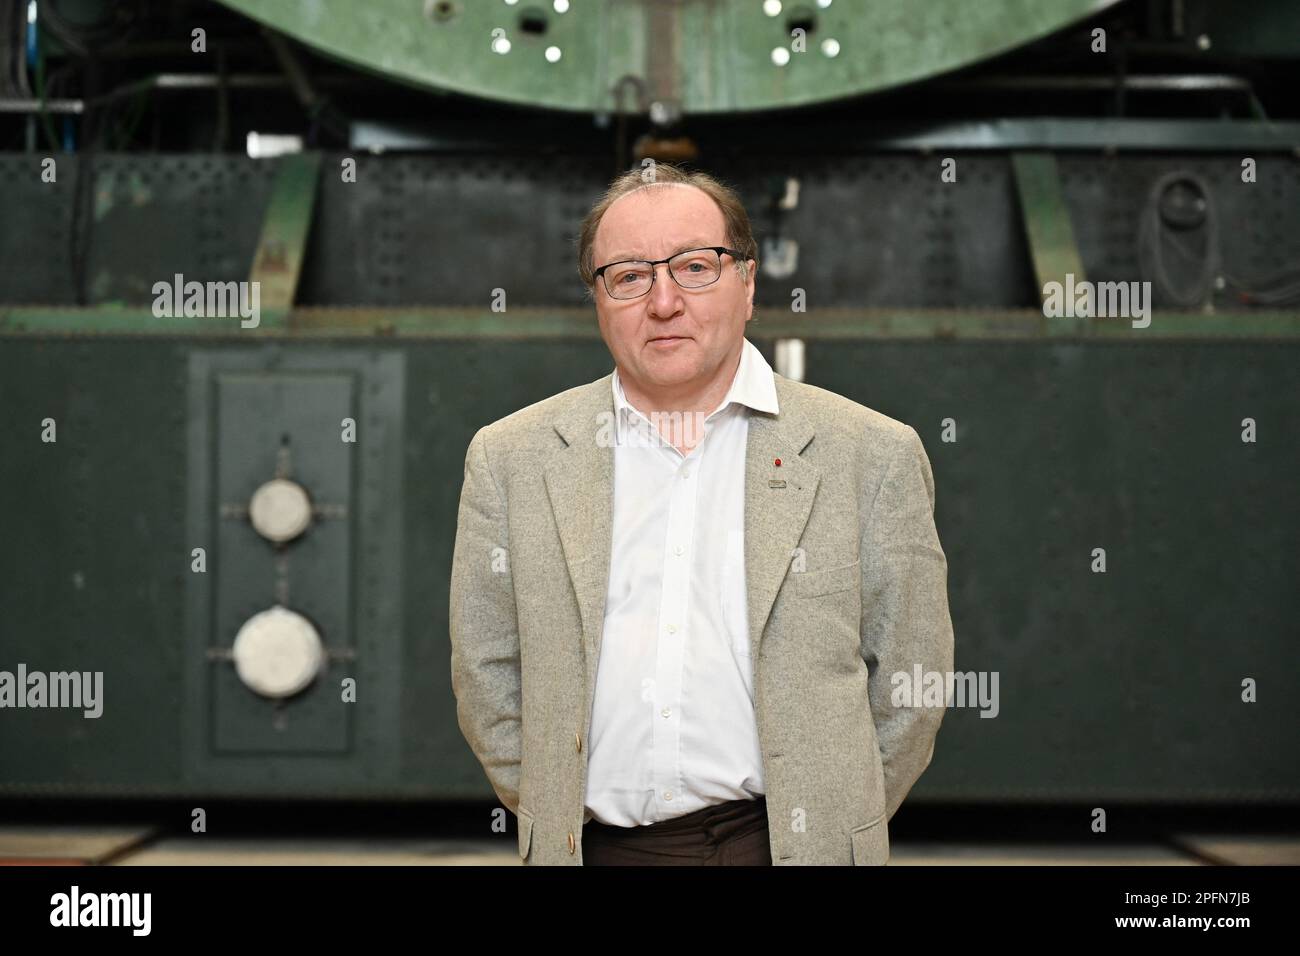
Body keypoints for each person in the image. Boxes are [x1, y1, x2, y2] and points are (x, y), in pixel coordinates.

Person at [449, 162, 954, 865]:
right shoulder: (512, 459)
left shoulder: (869, 456)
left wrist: (837, 815)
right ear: (597, 298)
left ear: (748, 283)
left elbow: (912, 683)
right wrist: (550, 799)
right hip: (596, 851)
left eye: (694, 267)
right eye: (628, 275)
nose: (663, 301)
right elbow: (486, 671)